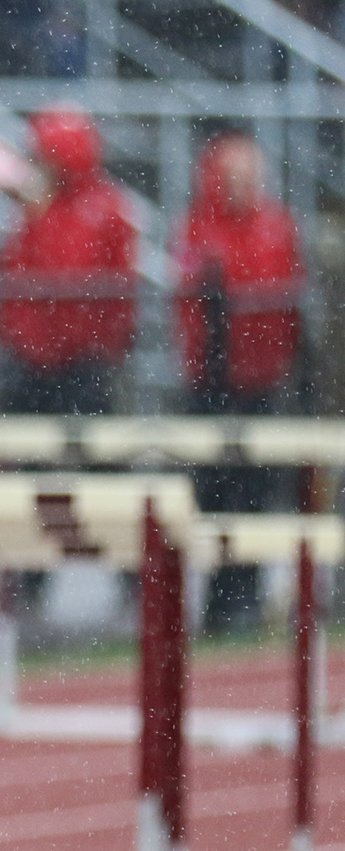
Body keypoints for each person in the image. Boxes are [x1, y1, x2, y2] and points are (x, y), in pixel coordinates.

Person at [174, 131, 303, 633]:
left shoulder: (276, 226)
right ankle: (215, 598)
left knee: (255, 490)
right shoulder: (199, 228)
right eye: (234, 174)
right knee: (211, 490)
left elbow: (287, 298)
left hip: (260, 384)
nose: (244, 184)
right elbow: (190, 299)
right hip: (213, 384)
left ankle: (246, 595)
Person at [0, 107, 137, 416]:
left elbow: (116, 278)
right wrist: (17, 334)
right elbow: (15, 272)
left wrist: (104, 340)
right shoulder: (35, 207)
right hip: (33, 355)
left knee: (84, 432)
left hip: (86, 356)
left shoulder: (104, 206)